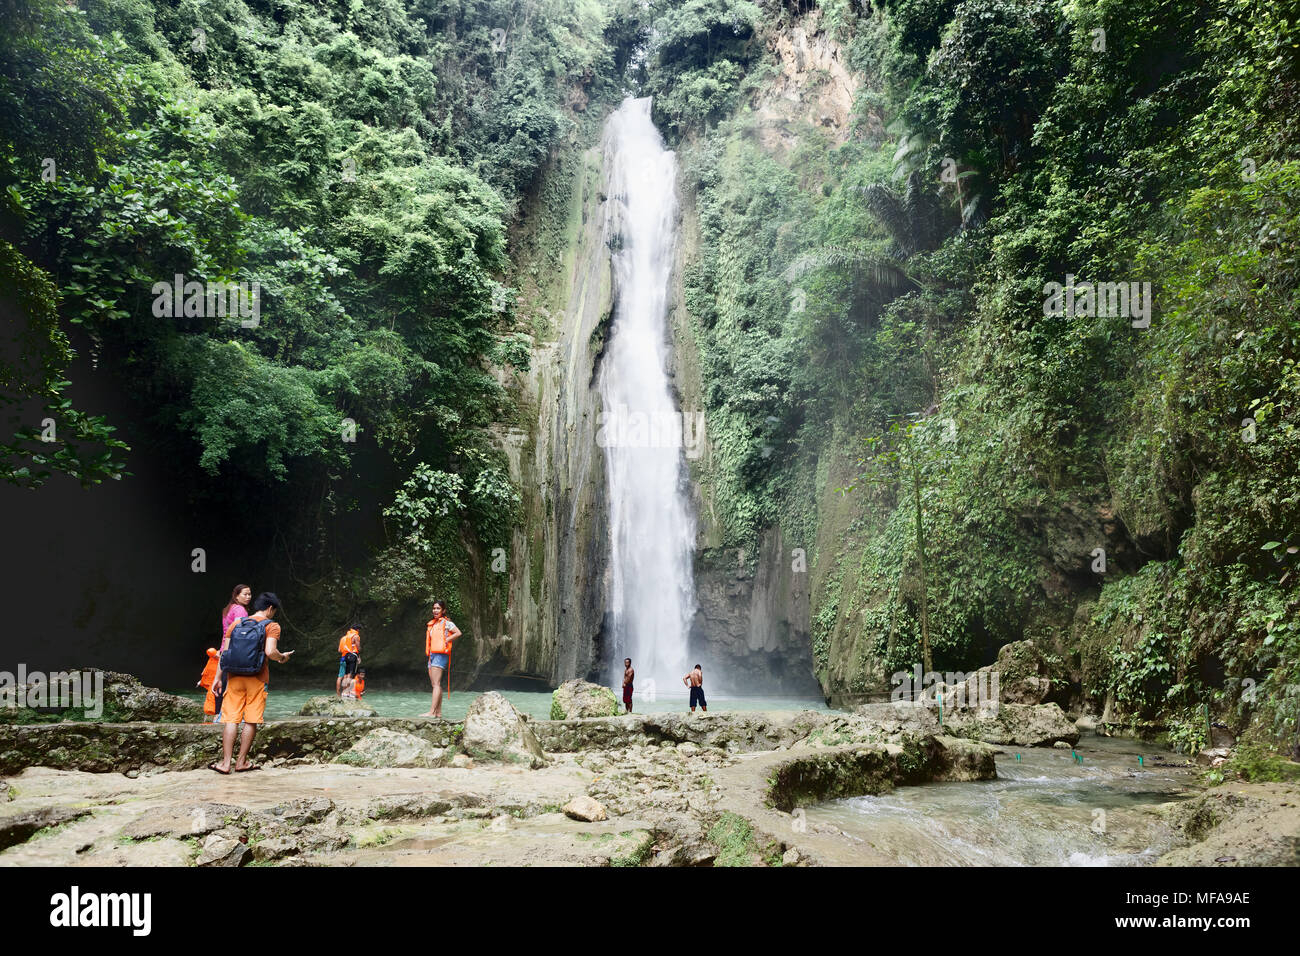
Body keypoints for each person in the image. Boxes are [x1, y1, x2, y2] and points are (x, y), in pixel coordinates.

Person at [210, 592, 293, 774]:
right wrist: (282, 658)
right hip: (257, 677)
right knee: (251, 720)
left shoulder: (236, 624)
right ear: (270, 608)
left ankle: (225, 764)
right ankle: (241, 762)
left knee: (231, 720)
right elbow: (270, 652)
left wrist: (217, 678)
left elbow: (224, 653)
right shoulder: (272, 626)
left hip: (233, 676)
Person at [422, 599, 461, 718]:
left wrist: (447, 640)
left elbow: (458, 633)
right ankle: (438, 712)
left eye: (438, 608)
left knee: (436, 684)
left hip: (440, 654)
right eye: (434, 608)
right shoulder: (433, 624)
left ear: (443, 610)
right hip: (432, 655)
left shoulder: (447, 623)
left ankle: (432, 712)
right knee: (435, 684)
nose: (435, 610)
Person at [197, 648, 221, 722]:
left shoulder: (218, 657)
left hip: (217, 679)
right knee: (213, 695)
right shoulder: (215, 658)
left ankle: (217, 715)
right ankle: (216, 716)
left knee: (215, 695)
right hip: (214, 680)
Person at [336, 628, 361, 697]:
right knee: (349, 674)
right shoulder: (354, 636)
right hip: (351, 656)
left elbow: (339, 650)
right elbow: (357, 648)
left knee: (341, 676)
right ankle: (346, 692)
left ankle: (340, 693)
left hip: (343, 658)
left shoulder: (343, 638)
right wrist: (358, 655)